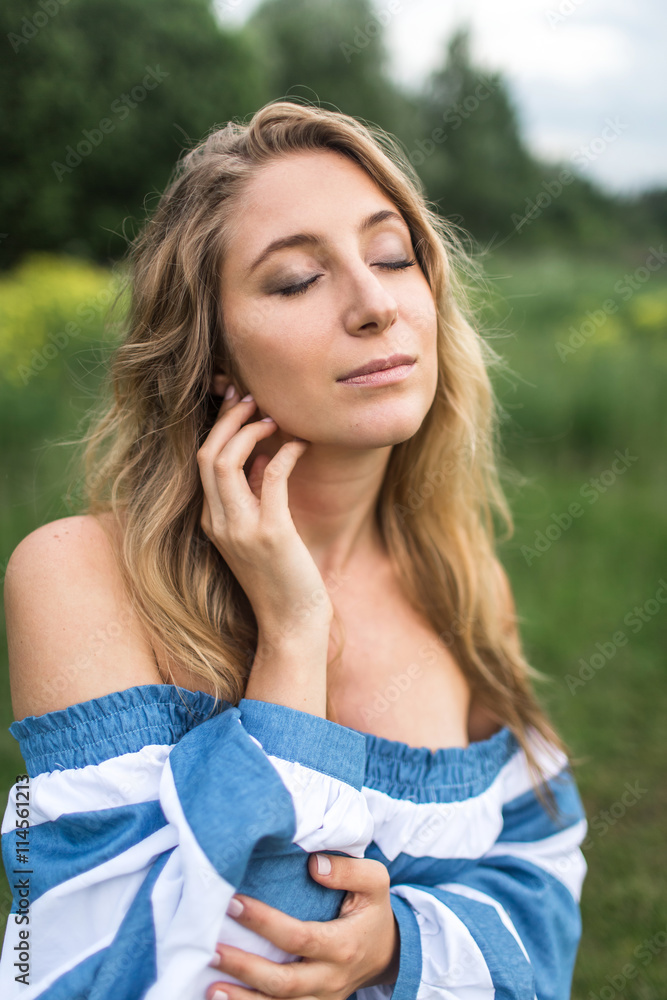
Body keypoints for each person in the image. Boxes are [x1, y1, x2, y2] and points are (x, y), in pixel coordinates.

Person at [0, 99, 588, 1000]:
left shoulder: (462, 581)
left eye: (393, 257)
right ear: (216, 358)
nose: (375, 303)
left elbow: (539, 881)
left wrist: (400, 942)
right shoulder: (77, 578)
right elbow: (113, 970)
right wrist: (293, 635)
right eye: (294, 280)